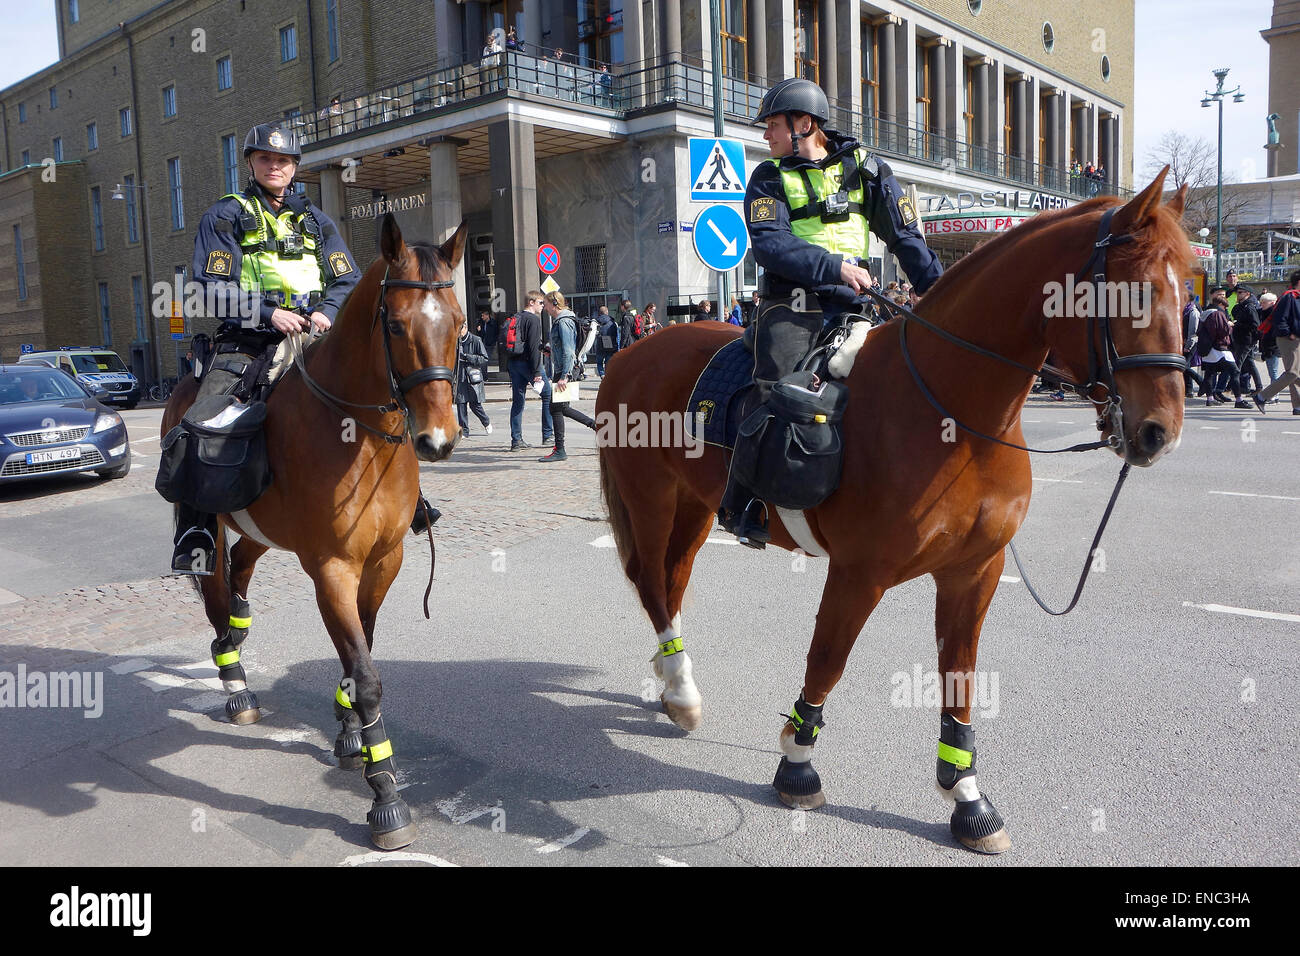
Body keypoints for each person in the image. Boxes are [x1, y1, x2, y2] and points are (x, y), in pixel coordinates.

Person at [718, 77, 943, 546]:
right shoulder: (768, 177)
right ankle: (745, 501)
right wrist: (836, 267)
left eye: (773, 126)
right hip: (791, 306)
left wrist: (941, 294)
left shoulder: (868, 168)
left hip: (853, 309)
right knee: (776, 385)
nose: (766, 136)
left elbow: (906, 239)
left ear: (805, 125)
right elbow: (770, 245)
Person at [170, 122, 359, 575]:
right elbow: (209, 288)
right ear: (251, 163)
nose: (275, 166)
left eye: (284, 160)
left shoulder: (316, 219)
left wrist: (327, 311)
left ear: (295, 167)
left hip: (315, 333)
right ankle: (195, 530)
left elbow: (347, 277)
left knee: (384, 390)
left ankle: (408, 497)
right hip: (250, 340)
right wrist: (267, 313)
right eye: (265, 159)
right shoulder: (226, 214)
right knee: (200, 421)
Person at [538, 290, 597, 462]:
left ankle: (560, 449)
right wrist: (551, 352)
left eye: (546, 304)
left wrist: (565, 375)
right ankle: (594, 426)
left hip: (566, 371)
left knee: (556, 408)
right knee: (560, 408)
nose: (544, 307)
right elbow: (563, 348)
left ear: (554, 303)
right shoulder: (563, 320)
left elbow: (569, 351)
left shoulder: (564, 322)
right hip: (566, 369)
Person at [506, 290, 553, 451]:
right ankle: (548, 435)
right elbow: (532, 348)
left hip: (514, 363)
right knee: (548, 394)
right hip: (528, 364)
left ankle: (516, 440)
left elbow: (525, 342)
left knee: (518, 401)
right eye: (541, 303)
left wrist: (541, 348)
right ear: (531, 302)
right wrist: (537, 372)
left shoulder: (517, 317)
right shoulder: (533, 319)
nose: (543, 306)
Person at [1252, 269, 1300, 414]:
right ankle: (1261, 397)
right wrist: (1289, 334)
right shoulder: (1289, 297)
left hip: (1296, 338)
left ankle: (1297, 406)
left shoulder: (1297, 297)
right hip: (1288, 339)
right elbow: (1280, 319)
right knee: (1292, 373)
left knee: (1295, 373)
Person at [1196, 302, 1242, 407]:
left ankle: (1210, 399)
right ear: (1220, 305)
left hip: (1207, 348)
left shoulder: (1204, 315)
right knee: (1235, 372)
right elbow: (1223, 331)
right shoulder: (1217, 314)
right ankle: (1239, 400)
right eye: (1225, 307)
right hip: (1220, 348)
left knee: (1209, 374)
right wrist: (1229, 325)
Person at [455, 322, 492, 438]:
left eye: (459, 330)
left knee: (475, 405)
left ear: (465, 328)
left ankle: (486, 422)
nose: (458, 333)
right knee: (461, 404)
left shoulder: (476, 340)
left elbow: (484, 358)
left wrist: (467, 357)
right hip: (460, 376)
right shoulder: (455, 342)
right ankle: (464, 431)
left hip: (473, 377)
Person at [1230, 286, 1263, 399]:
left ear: (1247, 294)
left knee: (1236, 365)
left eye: (1240, 293)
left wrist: (1237, 324)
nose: (1238, 295)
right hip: (1241, 339)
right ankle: (1259, 387)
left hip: (1246, 340)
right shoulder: (1241, 306)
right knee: (1249, 363)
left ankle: (1234, 390)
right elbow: (1235, 313)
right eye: (1237, 293)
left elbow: (1255, 325)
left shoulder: (1249, 307)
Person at [595, 306, 619, 374]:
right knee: (608, 362)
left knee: (599, 362)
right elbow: (615, 335)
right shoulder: (612, 322)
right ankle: (607, 375)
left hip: (600, 344)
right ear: (607, 312)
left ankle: (602, 374)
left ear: (599, 313)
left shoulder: (596, 321)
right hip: (610, 344)